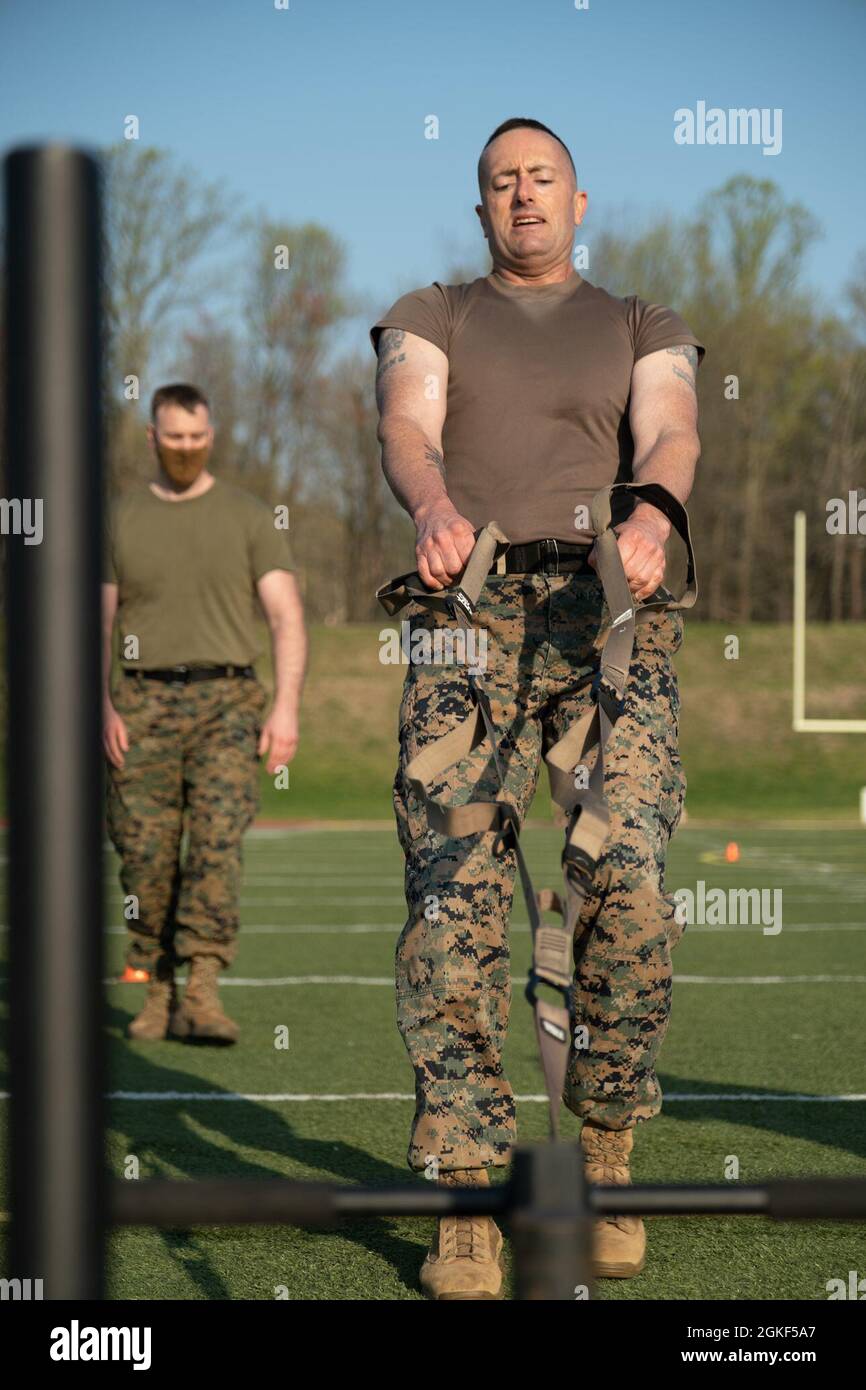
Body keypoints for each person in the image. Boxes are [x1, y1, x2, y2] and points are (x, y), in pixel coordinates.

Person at [371, 118, 704, 1298]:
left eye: (541, 178)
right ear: (479, 212)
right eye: (500, 182)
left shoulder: (638, 322)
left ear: (578, 200)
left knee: (629, 881)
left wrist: (655, 512)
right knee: (451, 902)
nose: (521, 196)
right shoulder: (435, 308)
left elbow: (669, 423)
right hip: (467, 615)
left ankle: (602, 1156)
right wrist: (427, 505)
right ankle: (467, 1195)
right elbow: (406, 420)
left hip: (607, 620)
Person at [102, 383, 306, 1044]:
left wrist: (285, 708)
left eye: (196, 436)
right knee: (144, 854)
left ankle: (203, 990)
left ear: (210, 435)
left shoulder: (249, 517)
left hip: (227, 703)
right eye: (172, 437)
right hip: (140, 704)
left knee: (216, 844)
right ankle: (155, 990)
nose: (185, 448)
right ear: (152, 435)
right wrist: (100, 703)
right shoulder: (120, 517)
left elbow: (285, 617)